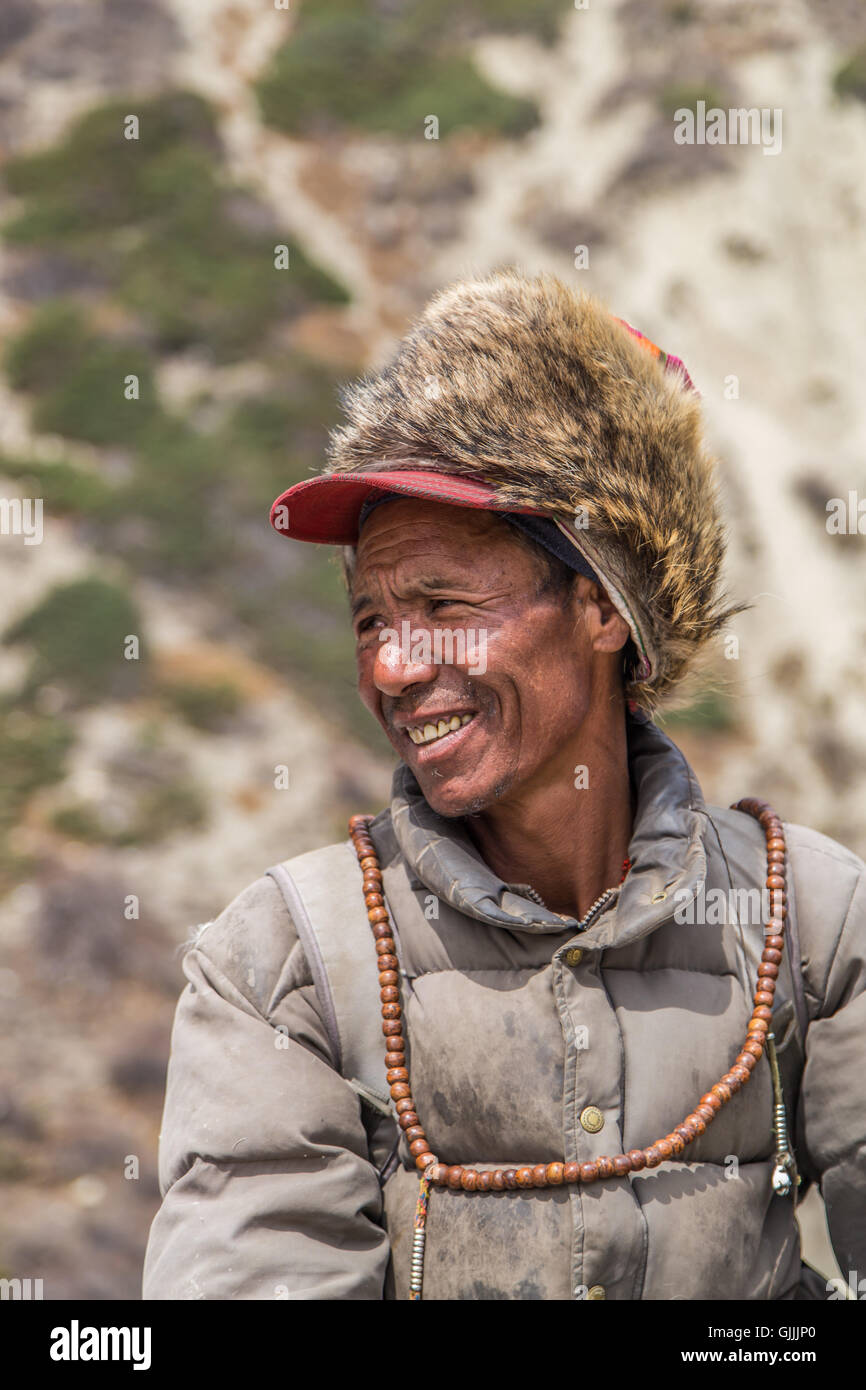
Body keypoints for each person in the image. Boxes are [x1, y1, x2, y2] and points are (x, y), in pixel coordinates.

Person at [143, 269, 866, 1300]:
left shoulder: (818, 922)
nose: (393, 666)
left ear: (601, 604)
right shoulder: (280, 965)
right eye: (371, 620)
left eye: (441, 602)